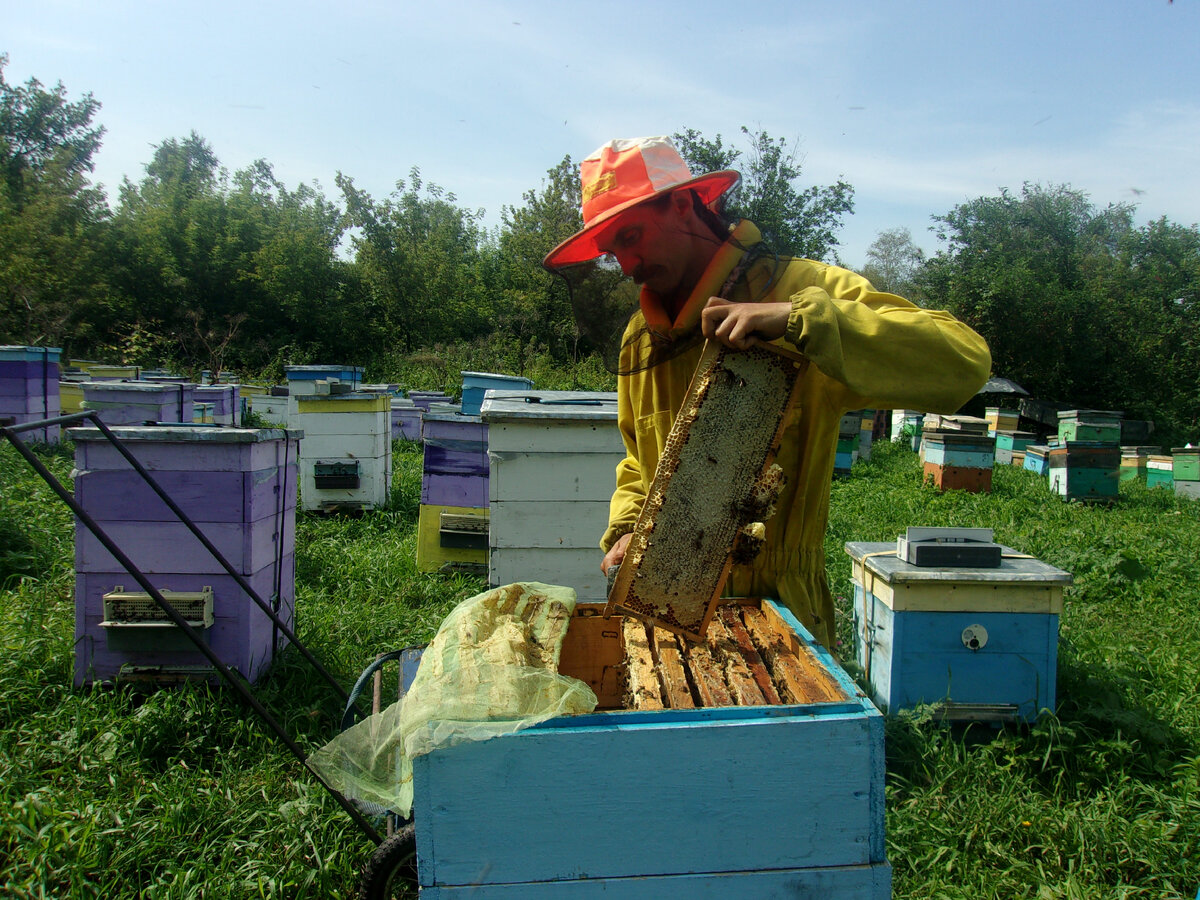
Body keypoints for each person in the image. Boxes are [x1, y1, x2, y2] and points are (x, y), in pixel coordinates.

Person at [542, 135, 991, 649]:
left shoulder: (804, 290)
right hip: (665, 600)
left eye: (633, 235)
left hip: (782, 607)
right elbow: (640, 462)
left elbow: (963, 360)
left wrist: (799, 320)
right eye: (613, 249)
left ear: (686, 203)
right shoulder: (640, 341)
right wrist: (626, 527)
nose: (626, 263)